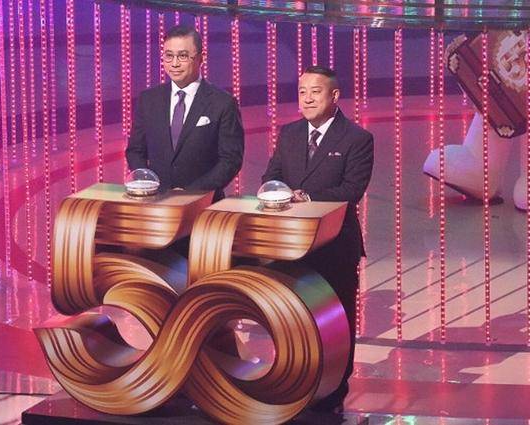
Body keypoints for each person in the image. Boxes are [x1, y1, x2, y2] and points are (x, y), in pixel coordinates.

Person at [262, 65, 374, 412]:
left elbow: (351, 189)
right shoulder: (290, 133)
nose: (307, 99)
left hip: (335, 245)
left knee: (336, 319)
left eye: (315, 91)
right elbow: (272, 176)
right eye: (302, 92)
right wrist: (275, 192)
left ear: (334, 96)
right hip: (291, 244)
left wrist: (307, 198)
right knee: (294, 316)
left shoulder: (357, 138)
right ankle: (296, 380)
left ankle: (334, 388)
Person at [126, 25, 244, 202]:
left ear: (201, 58)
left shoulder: (223, 103)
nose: (174, 63)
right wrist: (148, 185)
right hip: (156, 202)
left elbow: (231, 160)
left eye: (182, 56)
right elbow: (135, 151)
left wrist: (189, 193)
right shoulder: (148, 100)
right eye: (169, 56)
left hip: (203, 204)